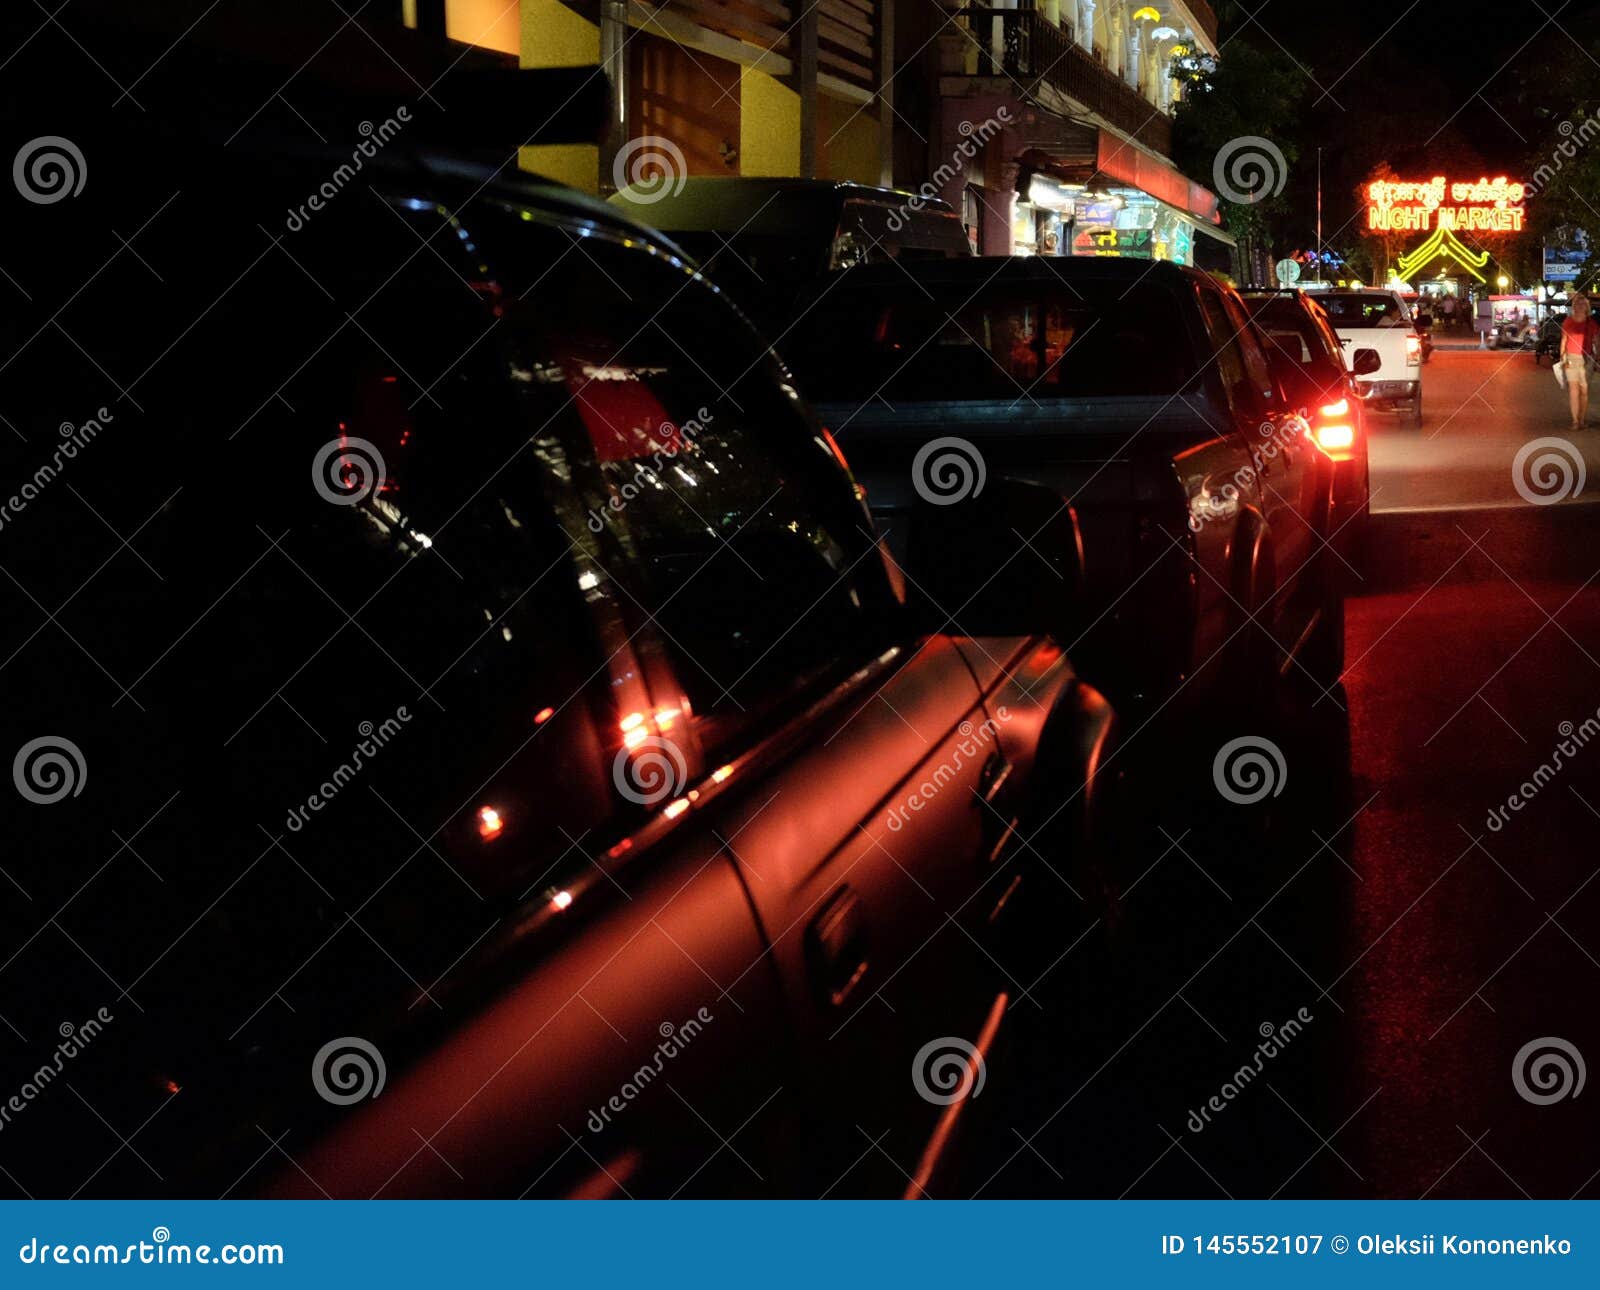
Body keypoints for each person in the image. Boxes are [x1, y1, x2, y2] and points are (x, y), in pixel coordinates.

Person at [1560, 293, 1600, 430]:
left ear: (1587, 307)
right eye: (1577, 303)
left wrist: (1597, 358)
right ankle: (1575, 421)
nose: (1580, 306)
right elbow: (1564, 341)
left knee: (1584, 390)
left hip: (1586, 360)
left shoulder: (1591, 323)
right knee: (1573, 390)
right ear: (1574, 306)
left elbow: (1597, 341)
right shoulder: (1568, 322)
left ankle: (1582, 419)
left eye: (1583, 304)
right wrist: (1562, 357)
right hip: (1571, 358)